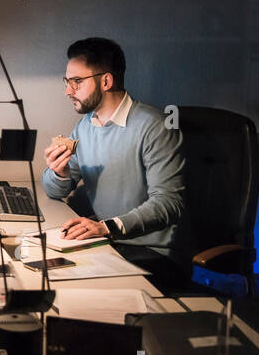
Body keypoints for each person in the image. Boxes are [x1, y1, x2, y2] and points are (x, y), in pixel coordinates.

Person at [40, 37, 188, 286]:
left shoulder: (156, 127)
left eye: (77, 81)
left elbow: (169, 203)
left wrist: (108, 227)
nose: (68, 90)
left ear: (106, 81)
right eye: (67, 81)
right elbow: (54, 191)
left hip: (151, 254)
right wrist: (61, 173)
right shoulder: (86, 126)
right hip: (109, 243)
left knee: (67, 287)